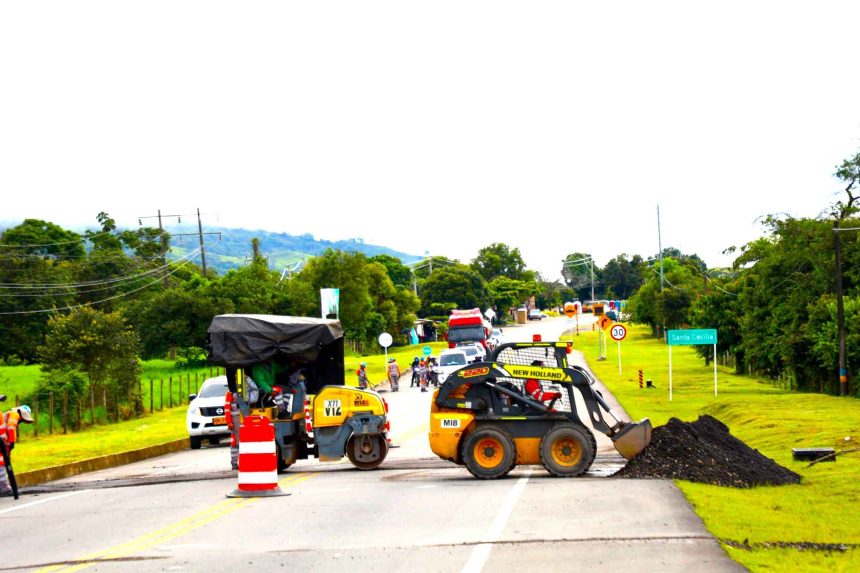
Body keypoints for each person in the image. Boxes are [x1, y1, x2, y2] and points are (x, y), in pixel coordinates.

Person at [1, 405, 34, 496]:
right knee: (2, 463)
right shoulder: (14, 414)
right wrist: (12, 442)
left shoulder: (8, 416)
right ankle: (4, 488)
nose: (21, 421)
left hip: (2, 444)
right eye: (22, 420)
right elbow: (11, 427)